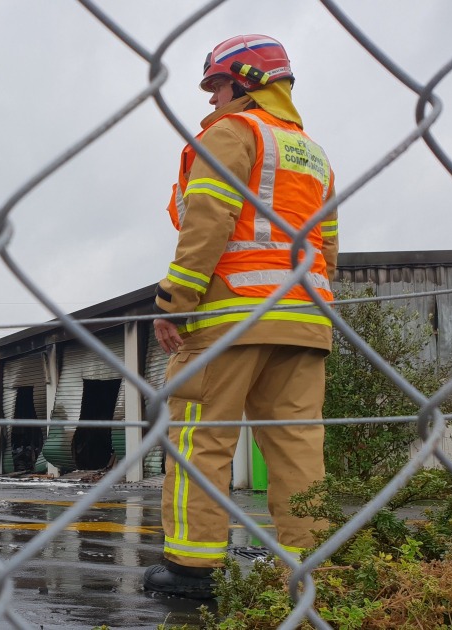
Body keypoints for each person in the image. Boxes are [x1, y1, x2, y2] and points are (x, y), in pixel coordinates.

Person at [143, 35, 339, 598]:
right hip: (304, 321)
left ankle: (192, 569)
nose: (210, 100)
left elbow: (208, 218)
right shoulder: (313, 153)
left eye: (217, 86)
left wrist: (175, 302)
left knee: (200, 439)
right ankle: (312, 572)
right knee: (299, 447)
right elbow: (327, 246)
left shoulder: (232, 135)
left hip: (230, 316)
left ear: (247, 81)